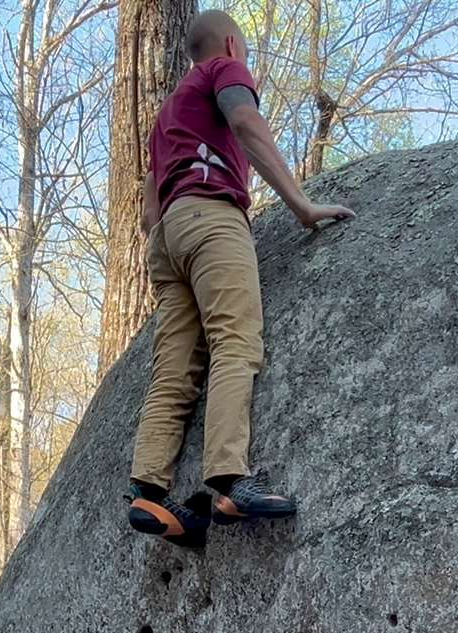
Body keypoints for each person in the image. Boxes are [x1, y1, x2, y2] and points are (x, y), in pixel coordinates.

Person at [128, 9, 355, 548]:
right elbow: (245, 122)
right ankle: (230, 479)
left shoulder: (168, 113)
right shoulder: (223, 71)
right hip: (212, 216)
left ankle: (148, 491)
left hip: (167, 238)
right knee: (235, 340)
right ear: (231, 44)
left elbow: (147, 208)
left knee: (175, 368)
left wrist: (170, 248)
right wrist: (301, 204)